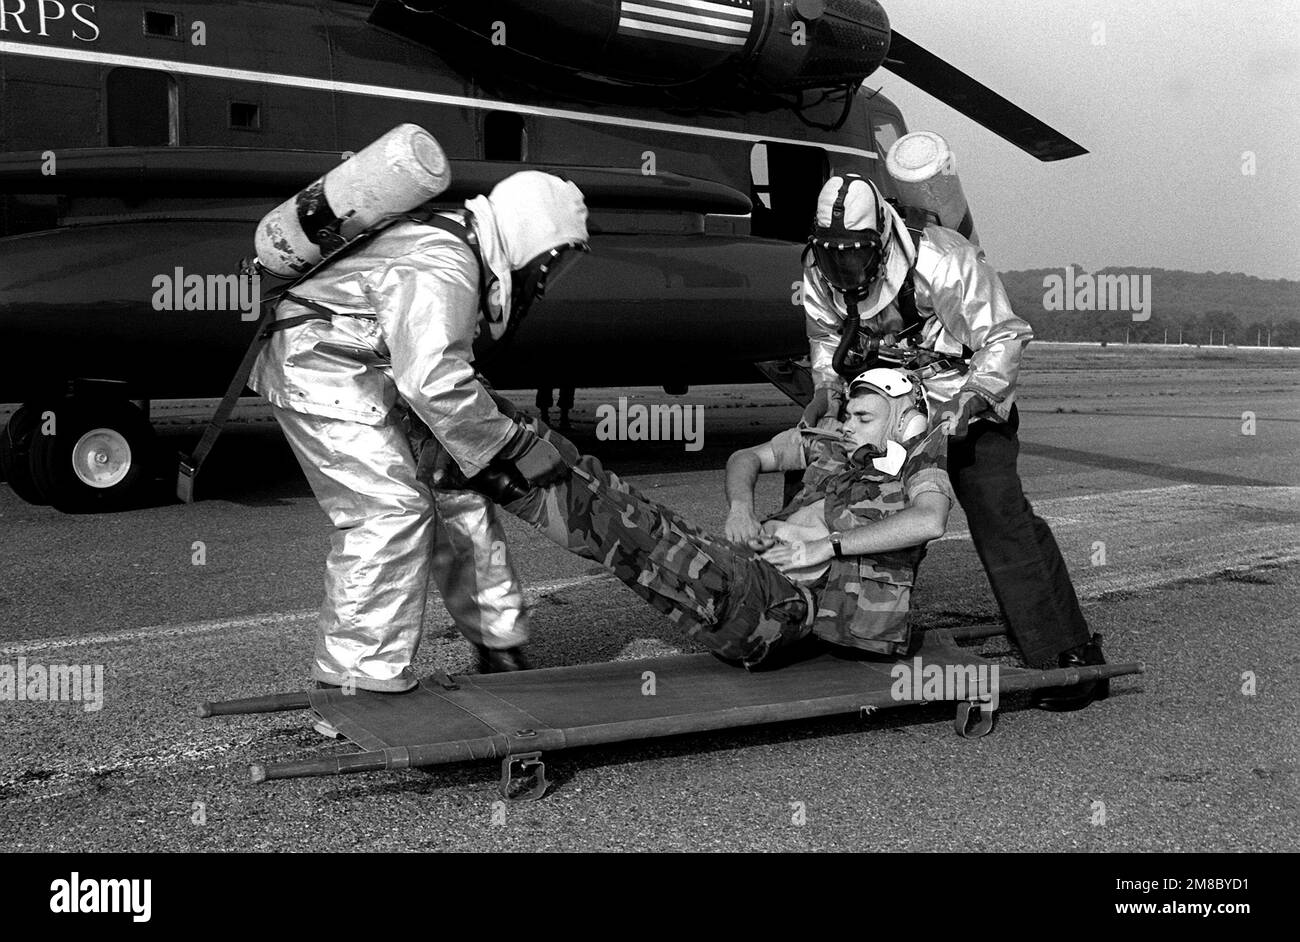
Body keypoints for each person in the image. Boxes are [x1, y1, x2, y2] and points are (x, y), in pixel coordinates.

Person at [248, 171, 590, 692]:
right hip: (321, 369)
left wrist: (488, 447)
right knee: (390, 511)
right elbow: (433, 380)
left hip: (371, 370)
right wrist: (513, 446)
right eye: (553, 258)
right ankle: (355, 680)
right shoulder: (444, 258)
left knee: (461, 499)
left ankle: (500, 644)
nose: (548, 276)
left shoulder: (457, 246)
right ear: (531, 234)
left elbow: (433, 366)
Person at [800, 172, 1106, 710]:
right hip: (890, 406)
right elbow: (826, 337)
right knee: (821, 485)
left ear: (880, 243)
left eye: (855, 258)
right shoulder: (819, 268)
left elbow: (1004, 334)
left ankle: (1065, 657)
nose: (844, 271)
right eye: (834, 258)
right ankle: (810, 625)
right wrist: (826, 388)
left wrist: (974, 398)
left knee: (997, 512)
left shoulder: (942, 259)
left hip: (964, 398)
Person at [437, 368, 952, 666]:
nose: (850, 427)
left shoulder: (919, 472)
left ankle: (504, 475)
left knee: (631, 537)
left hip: (787, 613)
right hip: (746, 572)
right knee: (619, 500)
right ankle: (493, 424)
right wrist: (742, 506)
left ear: (904, 420)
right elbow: (745, 457)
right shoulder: (832, 445)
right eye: (851, 416)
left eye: (865, 419)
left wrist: (826, 547)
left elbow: (929, 521)